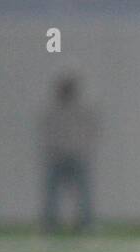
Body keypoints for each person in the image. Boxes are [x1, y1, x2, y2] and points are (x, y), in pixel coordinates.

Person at [40, 74, 99, 233]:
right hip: (57, 155)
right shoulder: (52, 109)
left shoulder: (83, 108)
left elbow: (90, 129)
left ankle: (85, 223)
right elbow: (47, 131)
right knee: (52, 193)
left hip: (77, 154)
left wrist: (83, 147)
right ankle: (50, 223)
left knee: (83, 192)